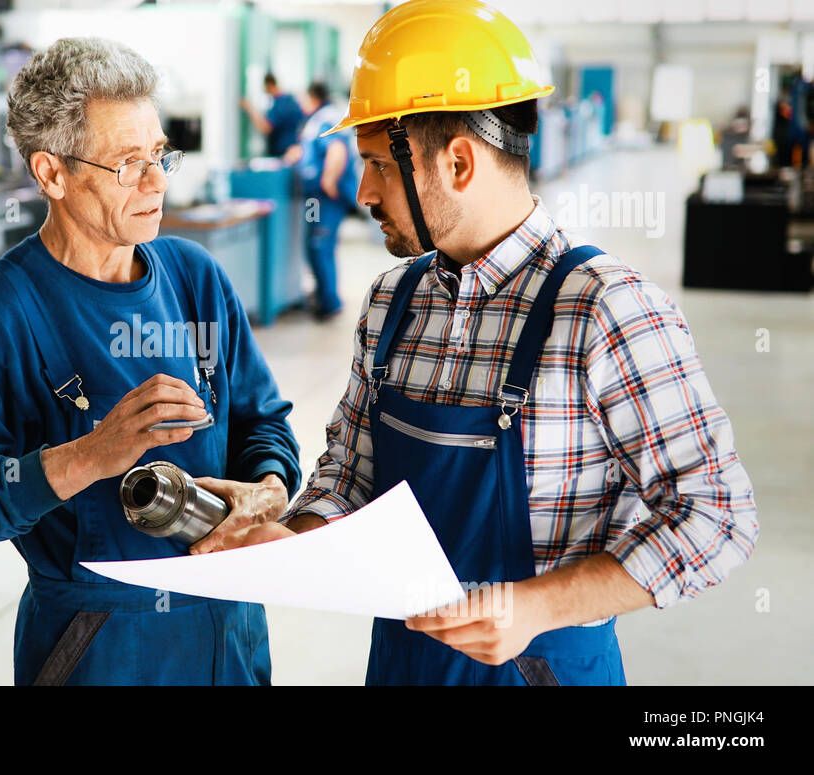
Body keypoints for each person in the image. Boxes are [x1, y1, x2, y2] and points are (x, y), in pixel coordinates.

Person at [215, 0, 758, 686]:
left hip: (543, 669)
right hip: (404, 666)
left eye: (378, 164)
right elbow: (350, 473)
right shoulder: (391, 302)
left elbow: (717, 515)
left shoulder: (604, 309)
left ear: (458, 162)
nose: (363, 191)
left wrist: (538, 606)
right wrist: (290, 541)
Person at [0, 37, 300, 686]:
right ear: (52, 174)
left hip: (228, 634)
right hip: (98, 648)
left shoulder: (195, 279)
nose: (157, 181)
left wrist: (269, 488)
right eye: (128, 163)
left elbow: (263, 423)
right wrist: (88, 456)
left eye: (160, 154)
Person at [284, 82, 357, 321]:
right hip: (314, 199)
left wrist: (329, 181)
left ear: (313, 97)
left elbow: (337, 150)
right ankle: (322, 296)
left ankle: (330, 302)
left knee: (320, 245)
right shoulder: (317, 121)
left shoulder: (326, 119)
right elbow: (315, 150)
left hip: (324, 198)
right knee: (314, 244)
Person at [240, 73, 304, 158]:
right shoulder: (291, 100)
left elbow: (266, 128)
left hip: (282, 154)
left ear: (269, 85)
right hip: (293, 150)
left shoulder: (280, 105)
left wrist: (250, 108)